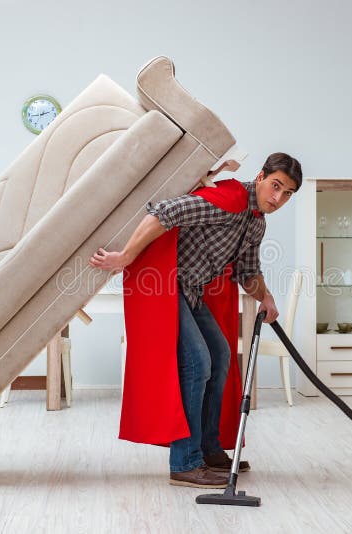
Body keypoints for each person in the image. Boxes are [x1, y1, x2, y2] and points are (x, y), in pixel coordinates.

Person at [89, 152, 302, 489]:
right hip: (163, 285)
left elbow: (247, 272)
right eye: (275, 186)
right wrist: (125, 257)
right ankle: (185, 462)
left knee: (220, 356)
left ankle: (208, 449)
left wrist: (266, 297)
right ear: (260, 177)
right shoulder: (228, 199)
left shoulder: (256, 221)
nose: (278, 198)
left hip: (190, 291)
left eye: (287, 193)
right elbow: (166, 212)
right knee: (198, 361)